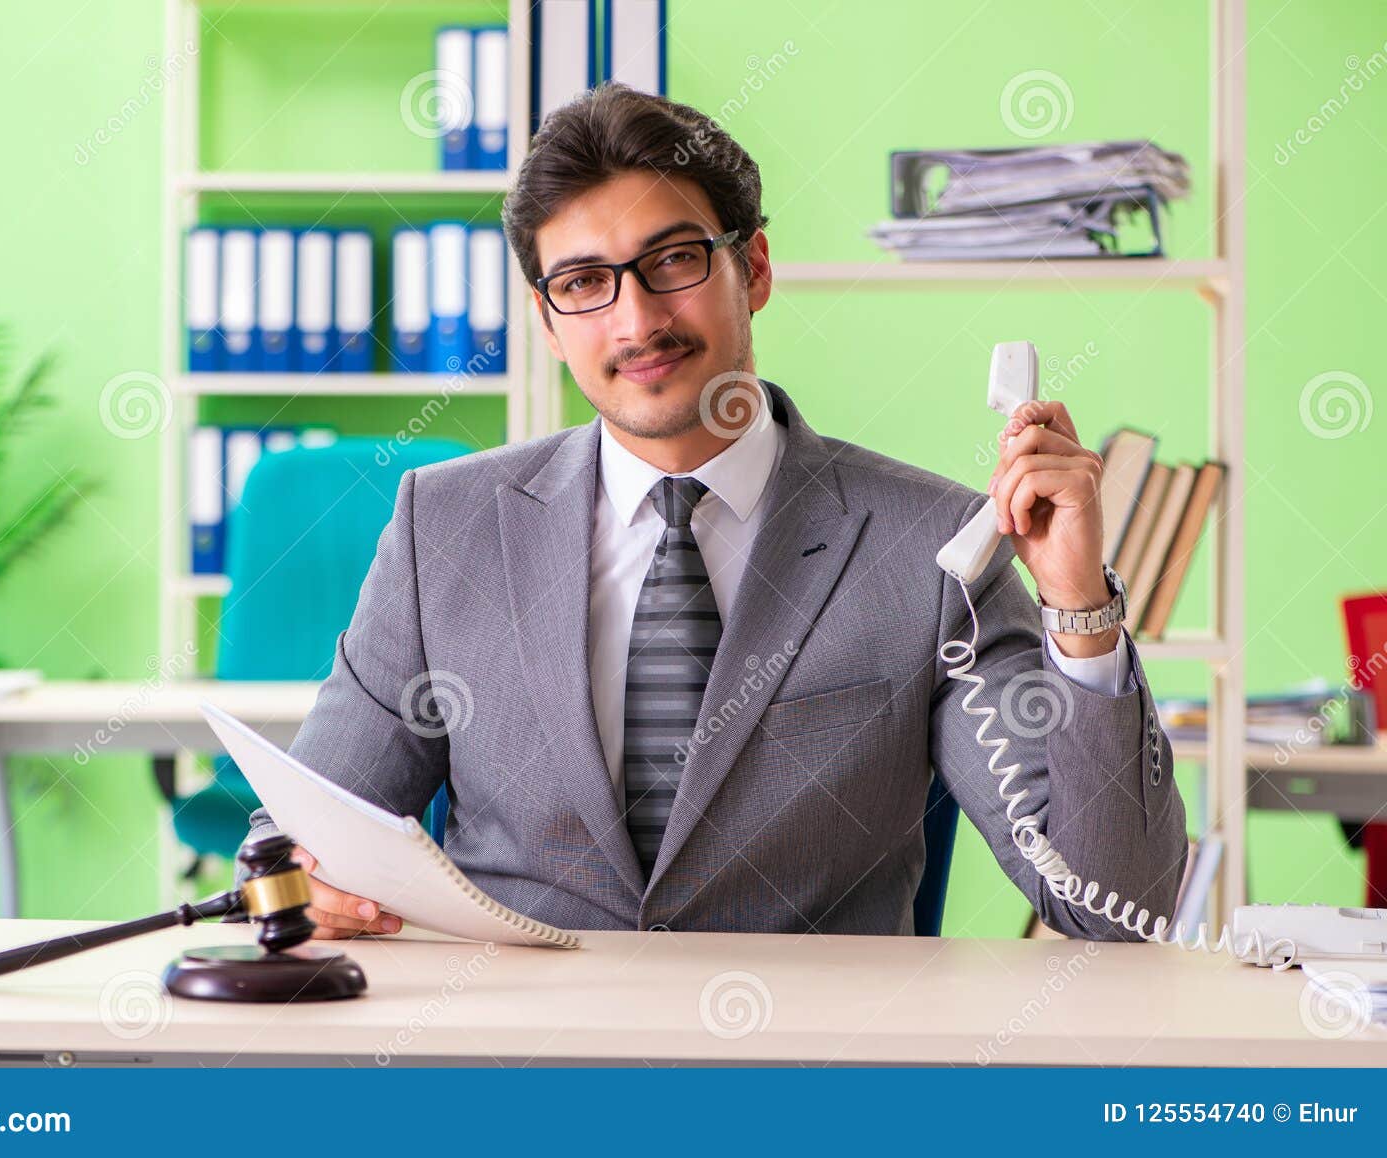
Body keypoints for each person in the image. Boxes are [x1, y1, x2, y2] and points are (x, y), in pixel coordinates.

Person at [235, 82, 1186, 941]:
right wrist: (300, 880)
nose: (636, 320)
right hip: (519, 1071)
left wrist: (1078, 608)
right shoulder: (444, 526)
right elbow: (305, 826)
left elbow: (1117, 905)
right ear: (547, 318)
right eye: (583, 283)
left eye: (675, 261)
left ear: (755, 268)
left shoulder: (929, 549)